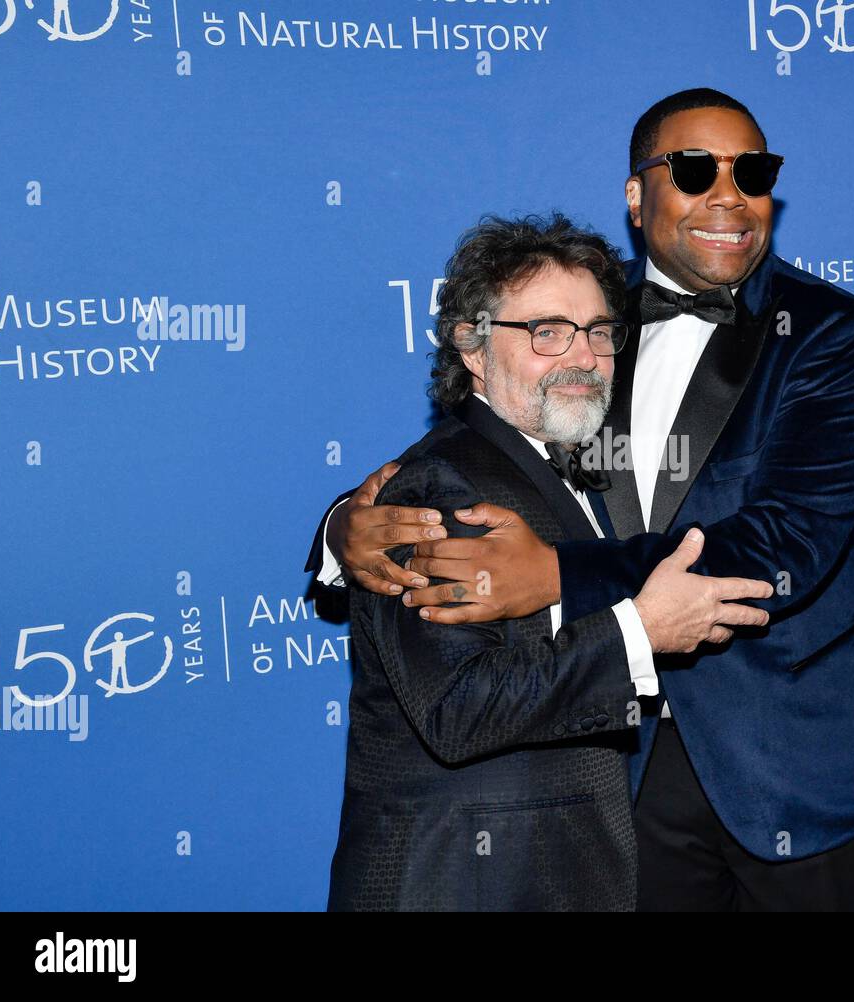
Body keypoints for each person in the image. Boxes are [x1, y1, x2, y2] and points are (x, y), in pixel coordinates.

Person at [311, 88, 854, 911]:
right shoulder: (582, 317)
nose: (729, 194)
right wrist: (342, 526)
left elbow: (788, 544)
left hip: (797, 756)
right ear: (637, 196)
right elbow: (472, 457)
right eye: (696, 169)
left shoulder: (829, 330)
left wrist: (558, 575)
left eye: (753, 171)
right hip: (623, 777)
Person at [325, 213, 772, 911]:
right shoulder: (439, 490)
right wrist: (639, 633)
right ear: (473, 347)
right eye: (547, 331)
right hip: (471, 884)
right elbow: (460, 708)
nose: (584, 355)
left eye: (599, 332)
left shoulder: (578, 470)